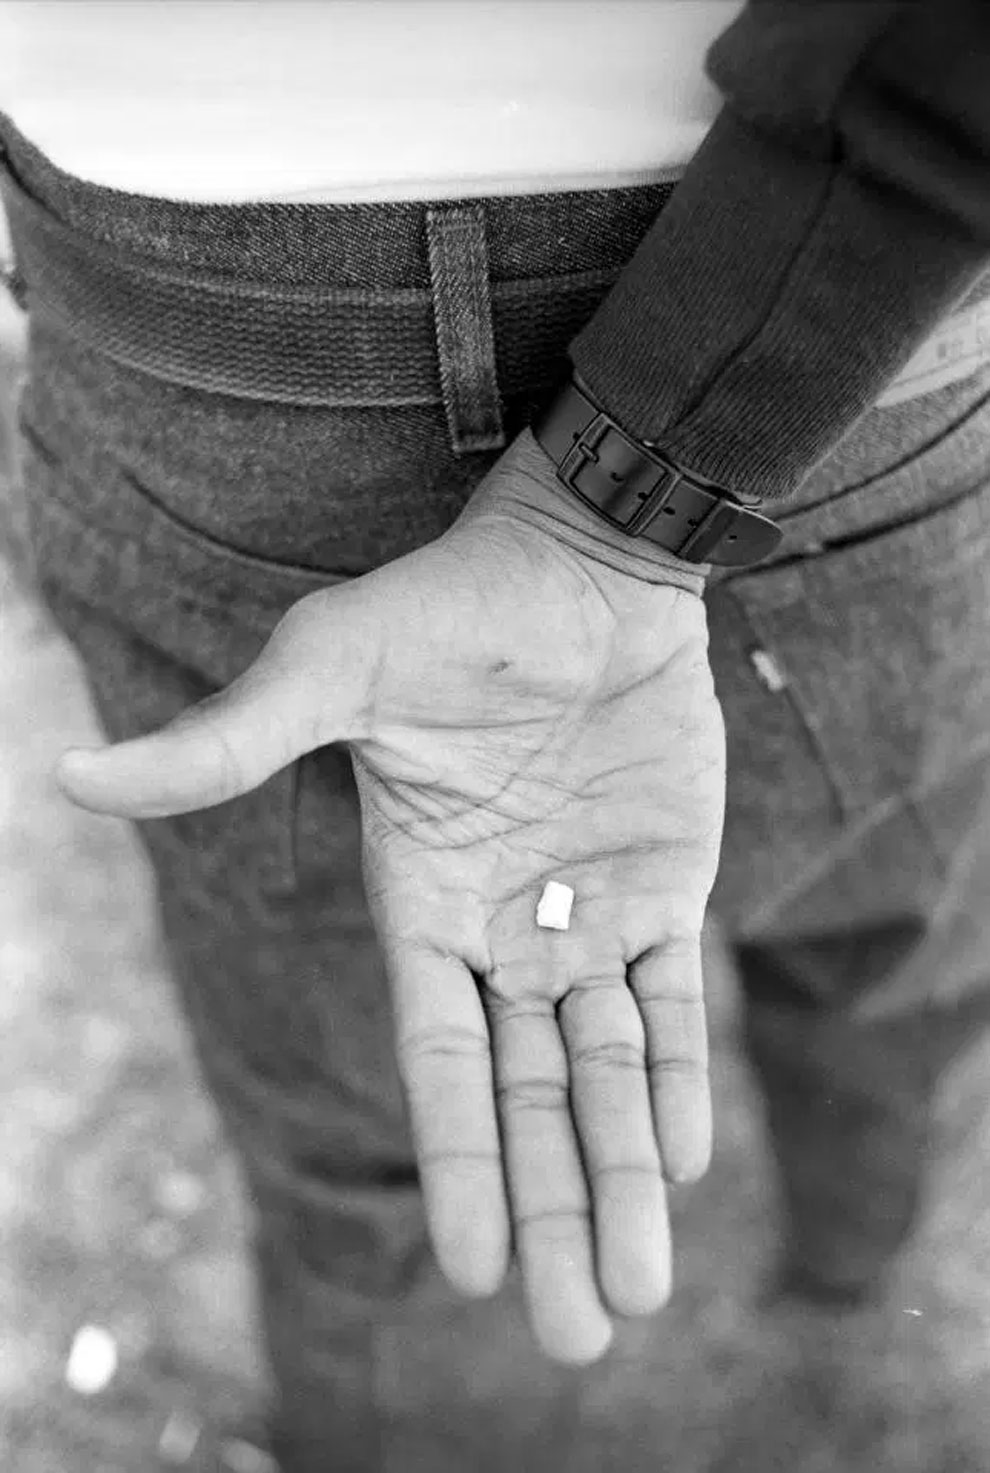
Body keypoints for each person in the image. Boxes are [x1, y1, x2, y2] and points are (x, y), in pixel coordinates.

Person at [2, 1, 990, 1467]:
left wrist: (623, 509)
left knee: (379, 1149)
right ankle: (852, 1262)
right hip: (856, 302)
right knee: (885, 934)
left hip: (215, 317)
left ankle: (837, 1276)